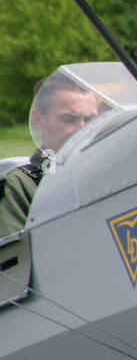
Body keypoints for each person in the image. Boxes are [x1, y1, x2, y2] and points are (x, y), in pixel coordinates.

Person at [0, 71, 100, 238]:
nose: (84, 129)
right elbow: (13, 259)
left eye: (90, 120)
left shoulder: (109, 172)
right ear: (39, 121)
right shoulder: (20, 185)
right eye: (70, 119)